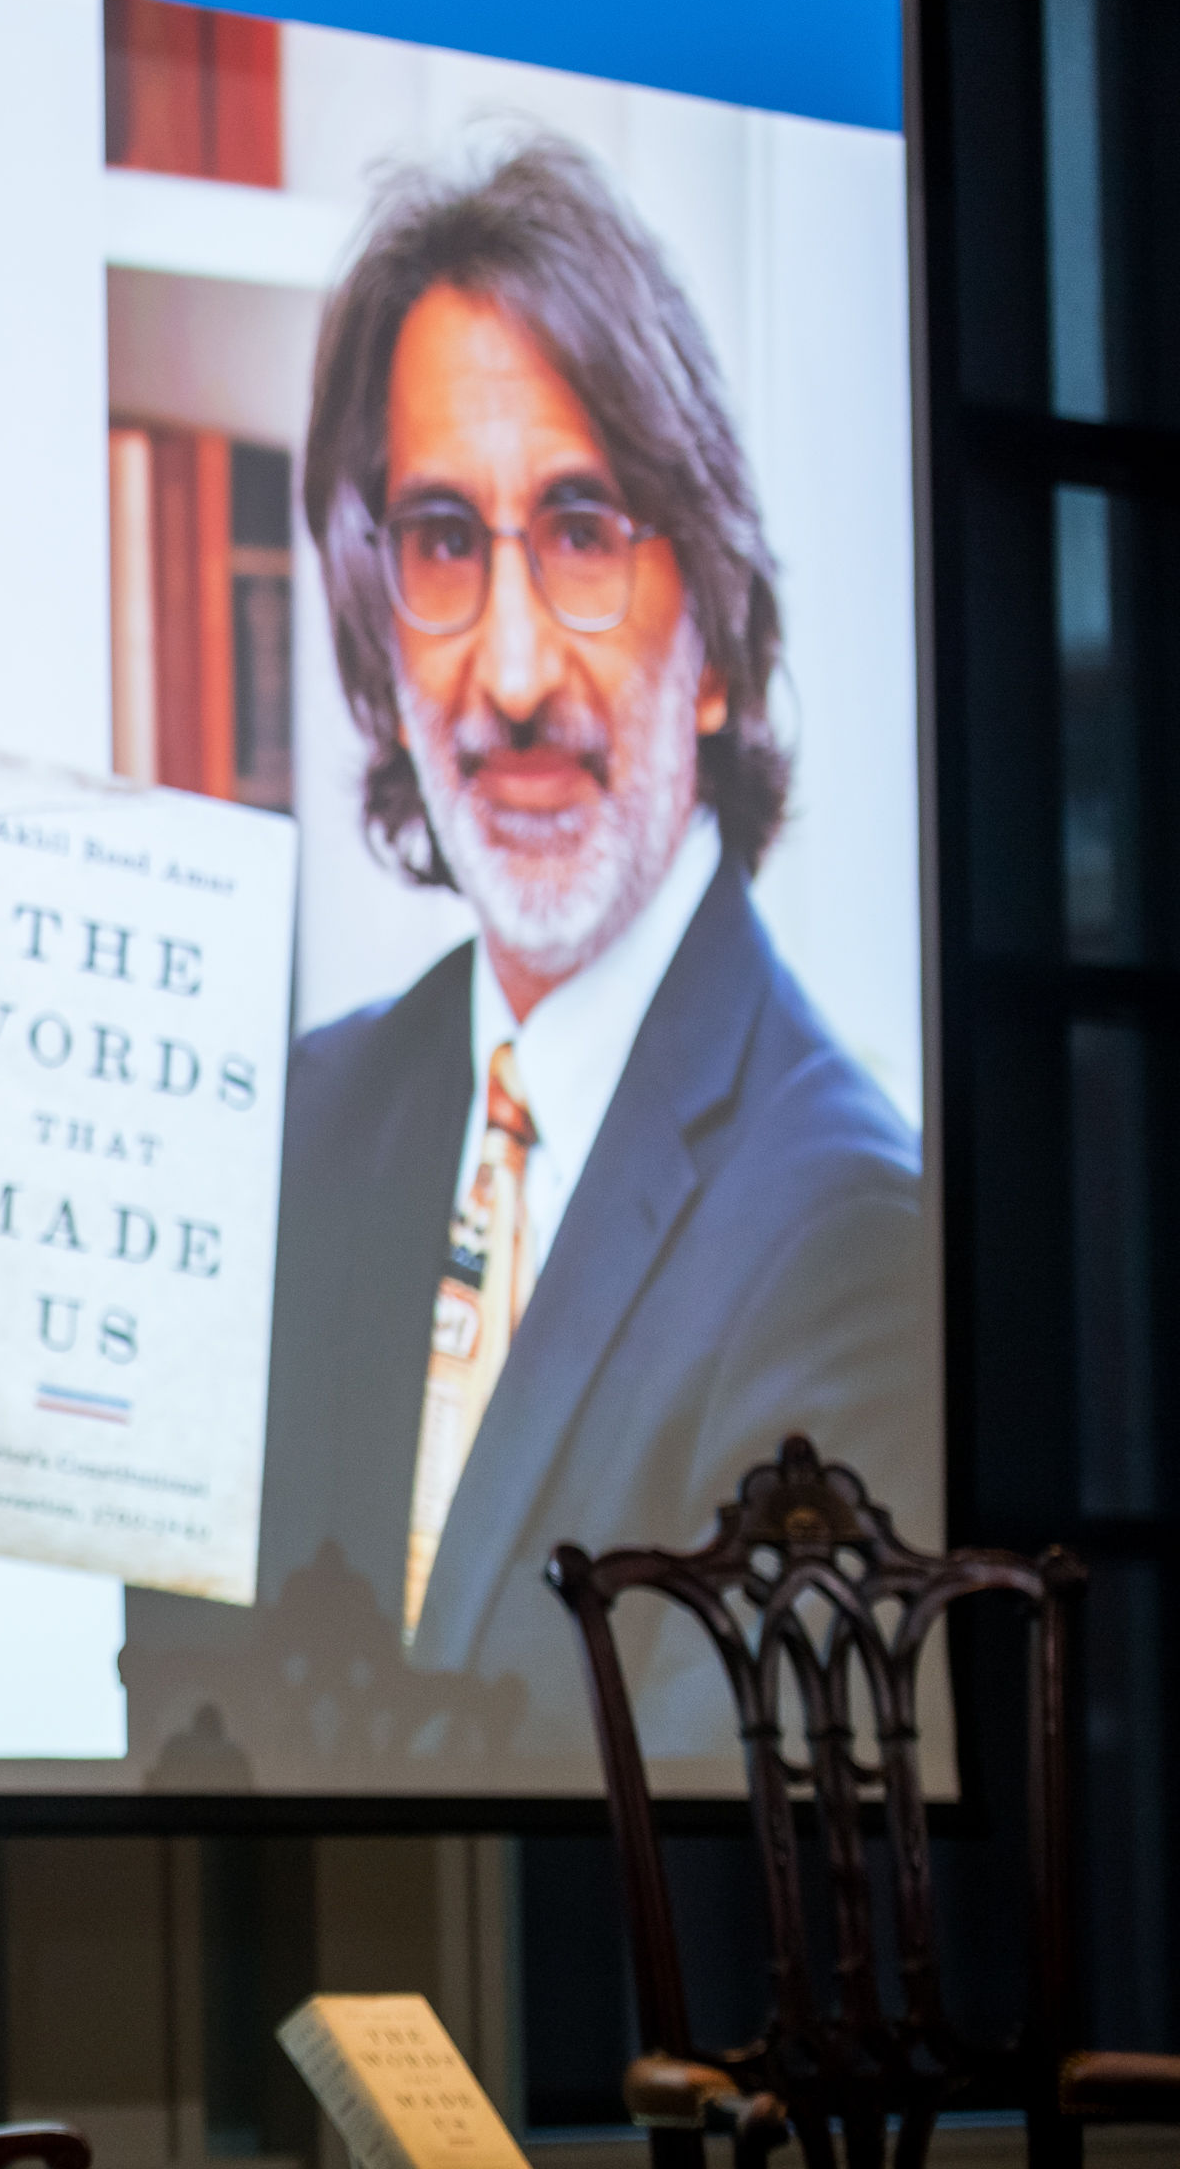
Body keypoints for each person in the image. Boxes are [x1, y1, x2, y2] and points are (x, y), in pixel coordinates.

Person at [249, 137, 929, 1767]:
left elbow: (727, 1846)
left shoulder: (846, 1234)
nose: (509, 668)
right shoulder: (305, 1124)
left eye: (580, 531)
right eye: (441, 540)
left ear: (712, 636)